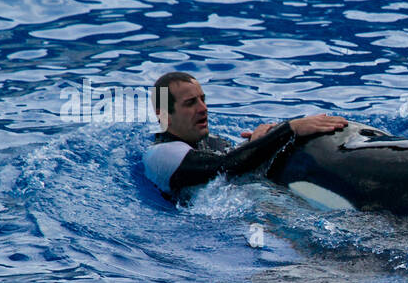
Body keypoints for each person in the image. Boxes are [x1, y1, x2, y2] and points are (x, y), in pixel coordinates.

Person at [143, 72, 349, 196]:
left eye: (203, 99)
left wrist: (258, 141)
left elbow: (237, 159)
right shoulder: (161, 155)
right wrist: (290, 129)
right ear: (164, 115)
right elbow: (225, 166)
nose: (203, 108)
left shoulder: (207, 141)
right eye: (190, 103)